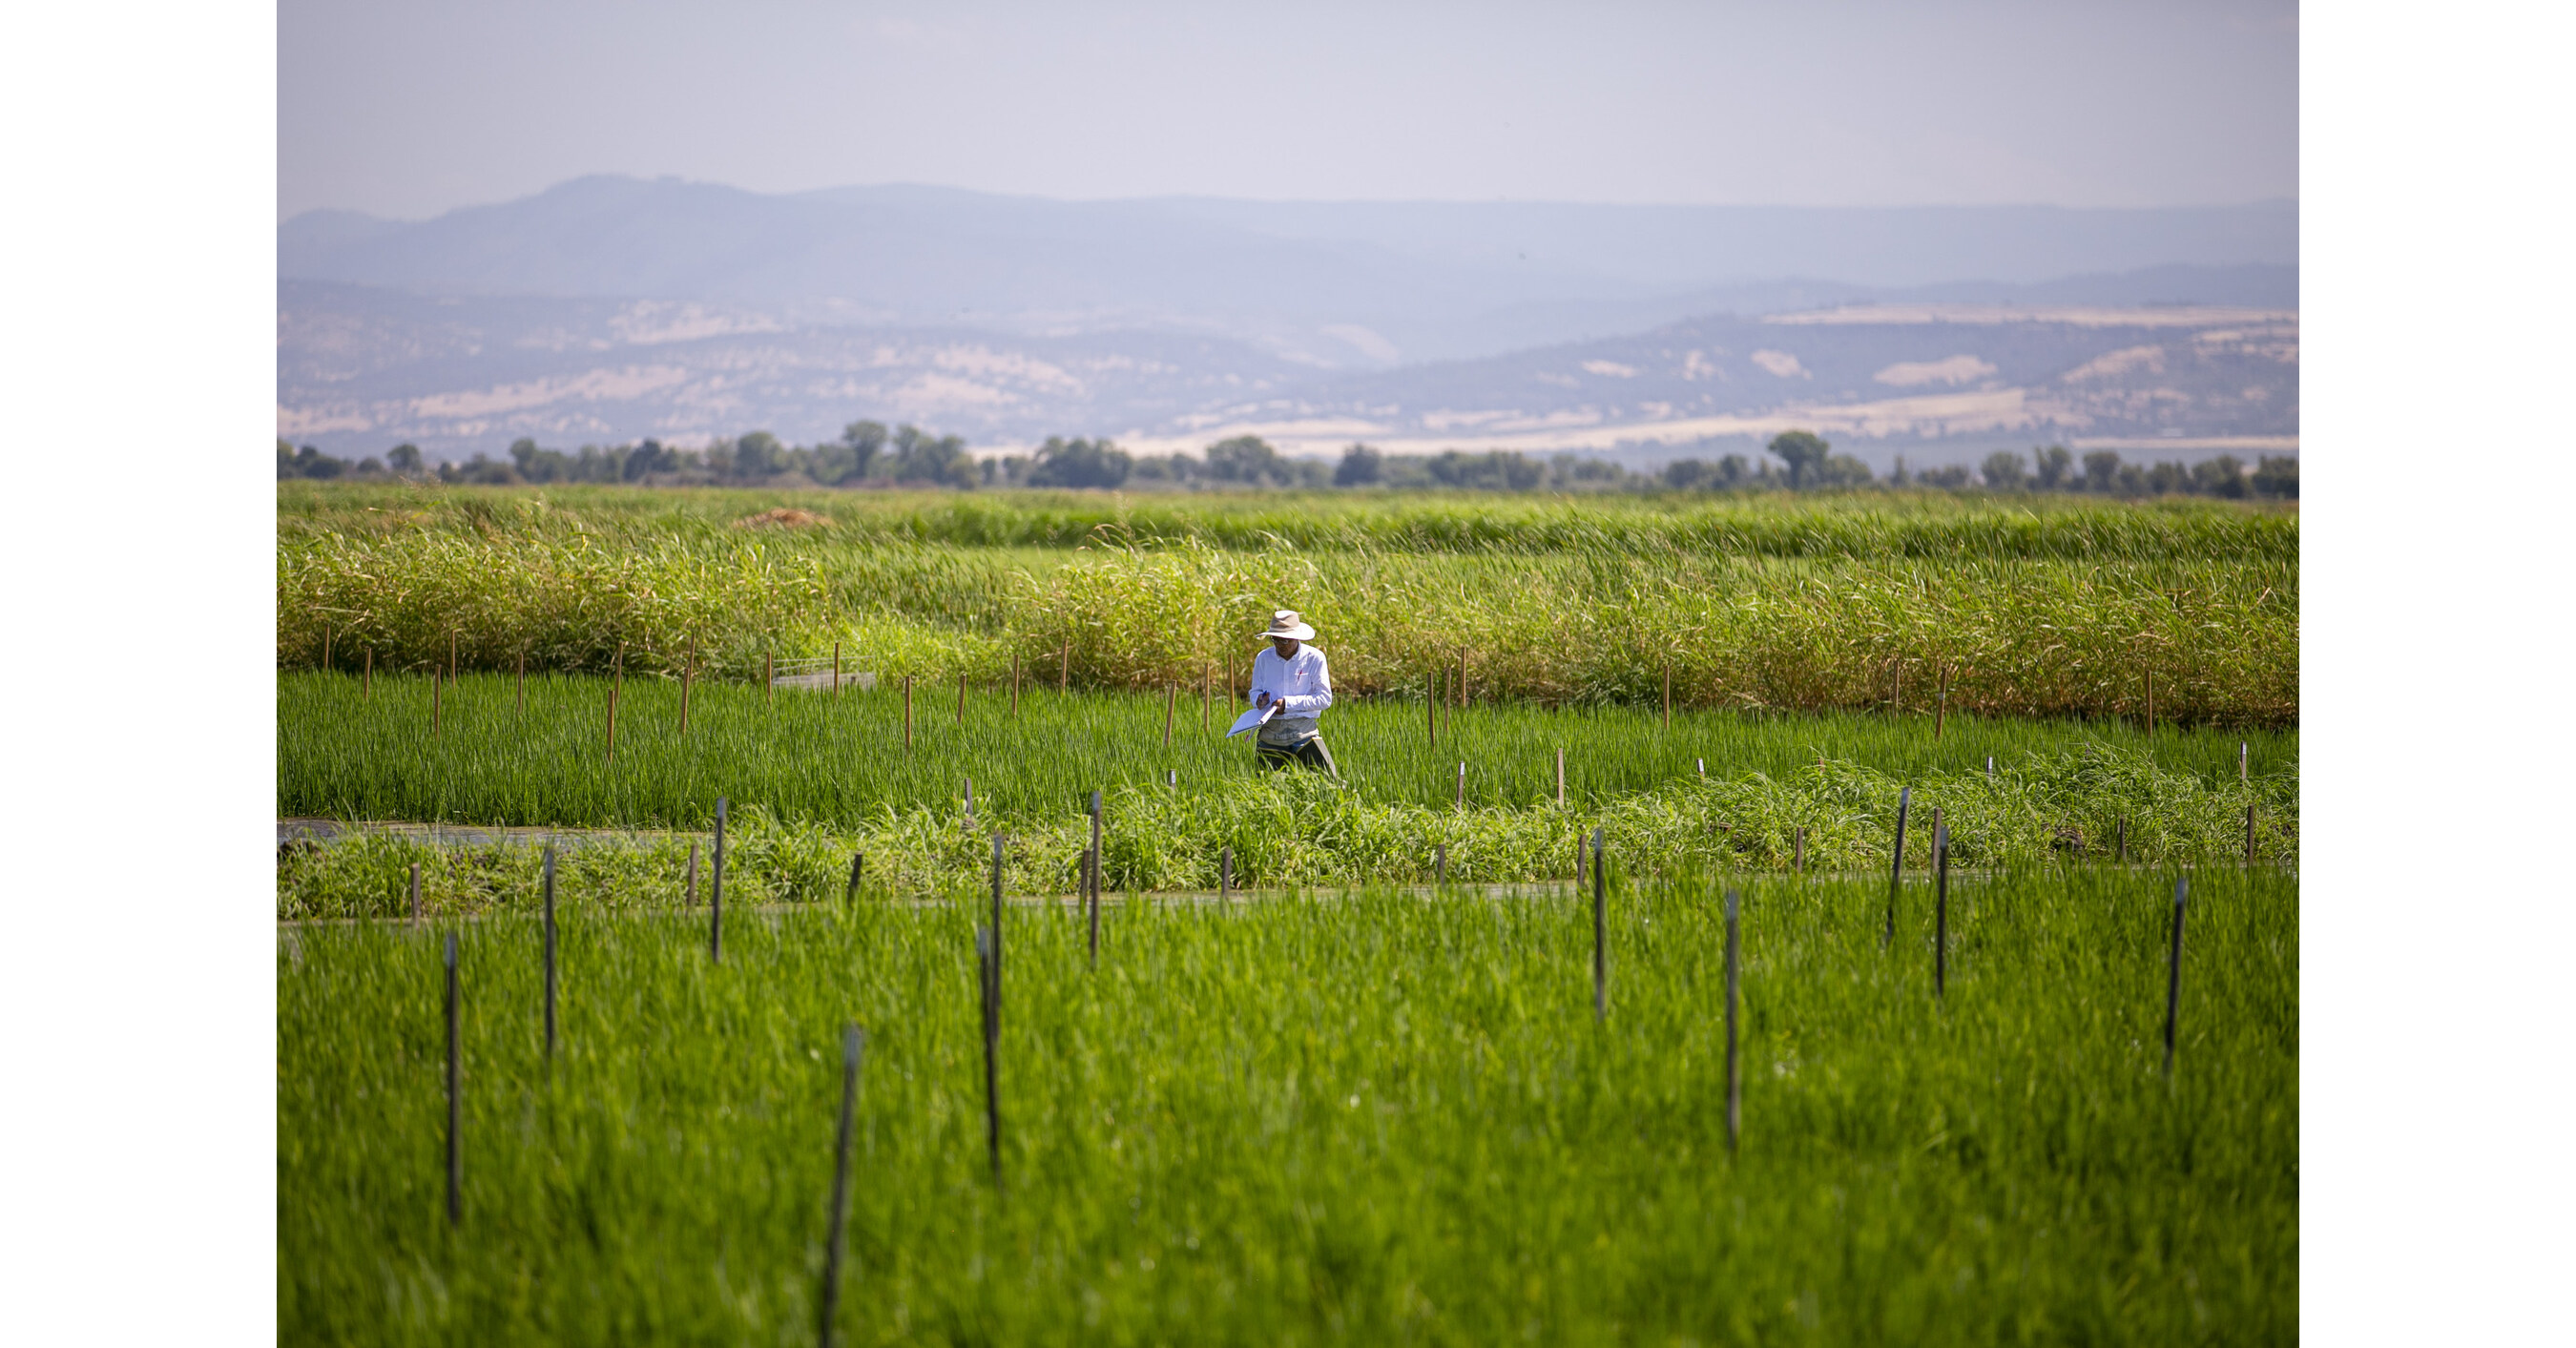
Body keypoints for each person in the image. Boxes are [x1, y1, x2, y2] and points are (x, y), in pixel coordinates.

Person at [1246, 610, 1337, 775]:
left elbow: (1324, 699)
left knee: (1329, 784)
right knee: (1267, 791)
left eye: (1285, 640)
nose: (1280, 645)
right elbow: (1254, 691)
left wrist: (1287, 704)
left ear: (1296, 637)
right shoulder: (1263, 658)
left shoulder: (1314, 658)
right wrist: (1258, 700)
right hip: (1271, 734)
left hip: (1304, 734)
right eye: (1275, 639)